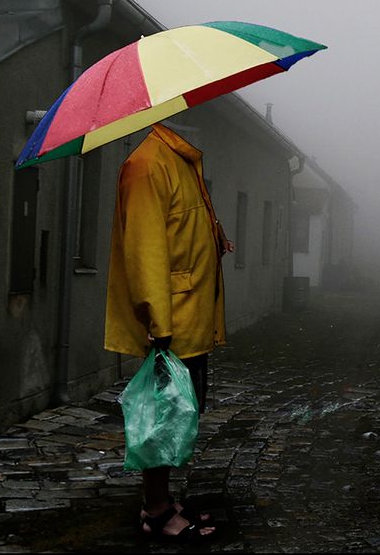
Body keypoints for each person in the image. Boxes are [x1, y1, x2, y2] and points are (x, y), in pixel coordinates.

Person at [104, 121, 233, 540]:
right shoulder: (146, 165)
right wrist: (158, 324)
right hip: (171, 323)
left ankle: (162, 498)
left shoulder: (178, 157)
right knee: (162, 419)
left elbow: (181, 229)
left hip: (189, 315)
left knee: (180, 414)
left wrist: (214, 236)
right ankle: (157, 511)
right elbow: (145, 251)